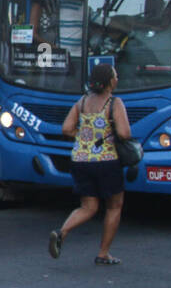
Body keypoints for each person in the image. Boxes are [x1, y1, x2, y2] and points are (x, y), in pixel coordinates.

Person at [49, 63, 130, 266]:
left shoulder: (82, 102)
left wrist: (86, 137)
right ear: (110, 82)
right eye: (116, 75)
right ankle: (103, 253)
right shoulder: (114, 103)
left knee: (88, 206)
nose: (117, 78)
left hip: (81, 160)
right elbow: (124, 133)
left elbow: (66, 128)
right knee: (114, 206)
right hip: (107, 161)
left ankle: (62, 231)